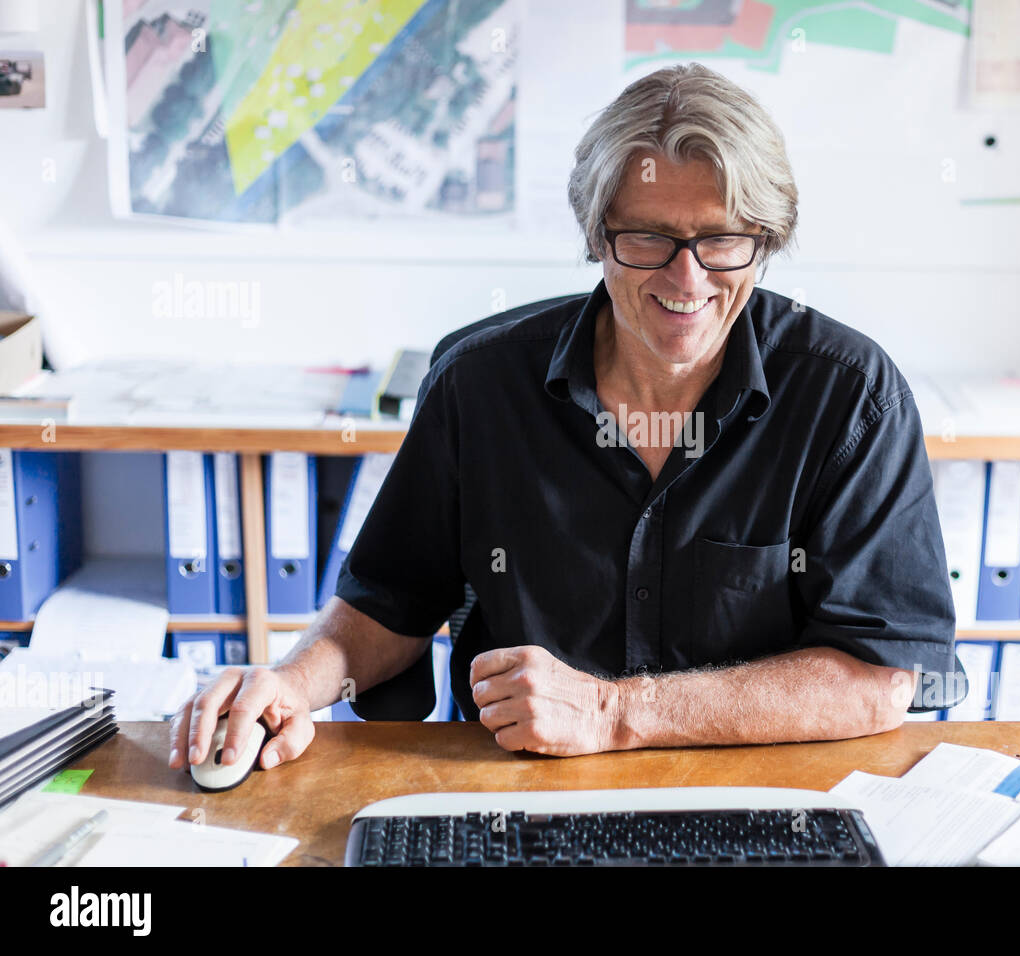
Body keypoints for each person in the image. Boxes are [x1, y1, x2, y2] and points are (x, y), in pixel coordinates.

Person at [170, 62, 960, 774]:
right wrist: (289, 685)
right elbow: (388, 605)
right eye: (648, 238)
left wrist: (616, 714)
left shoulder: (851, 396)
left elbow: (881, 679)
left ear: (765, 240)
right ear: (598, 236)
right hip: (513, 793)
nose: (687, 280)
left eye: (721, 240)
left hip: (754, 796)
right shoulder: (479, 384)